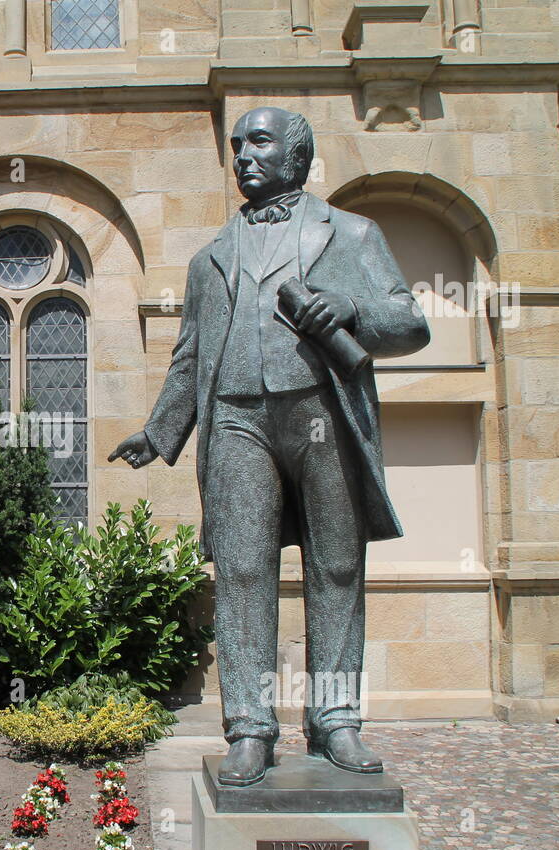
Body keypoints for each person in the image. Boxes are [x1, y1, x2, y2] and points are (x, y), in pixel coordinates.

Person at [109, 107, 430, 786]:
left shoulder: (352, 233)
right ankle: (250, 728)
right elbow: (190, 357)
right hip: (236, 421)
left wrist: (349, 307)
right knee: (244, 571)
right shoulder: (210, 259)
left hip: (321, 415)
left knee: (336, 566)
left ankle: (335, 720)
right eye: (236, 145)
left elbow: (408, 325)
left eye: (259, 142)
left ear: (297, 155)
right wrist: (160, 430)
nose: (242, 155)